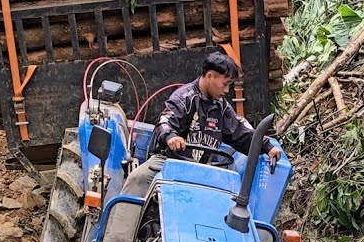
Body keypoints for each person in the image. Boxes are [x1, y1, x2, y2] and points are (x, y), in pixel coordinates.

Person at [121, 52, 283, 198]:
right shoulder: (184, 98)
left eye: (229, 85)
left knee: (229, 197)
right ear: (210, 76)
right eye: (225, 84)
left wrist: (267, 147)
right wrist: (171, 137)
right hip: (170, 163)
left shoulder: (222, 108)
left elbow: (242, 133)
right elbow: (165, 121)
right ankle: (119, 232)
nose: (227, 90)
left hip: (204, 170)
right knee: (137, 179)